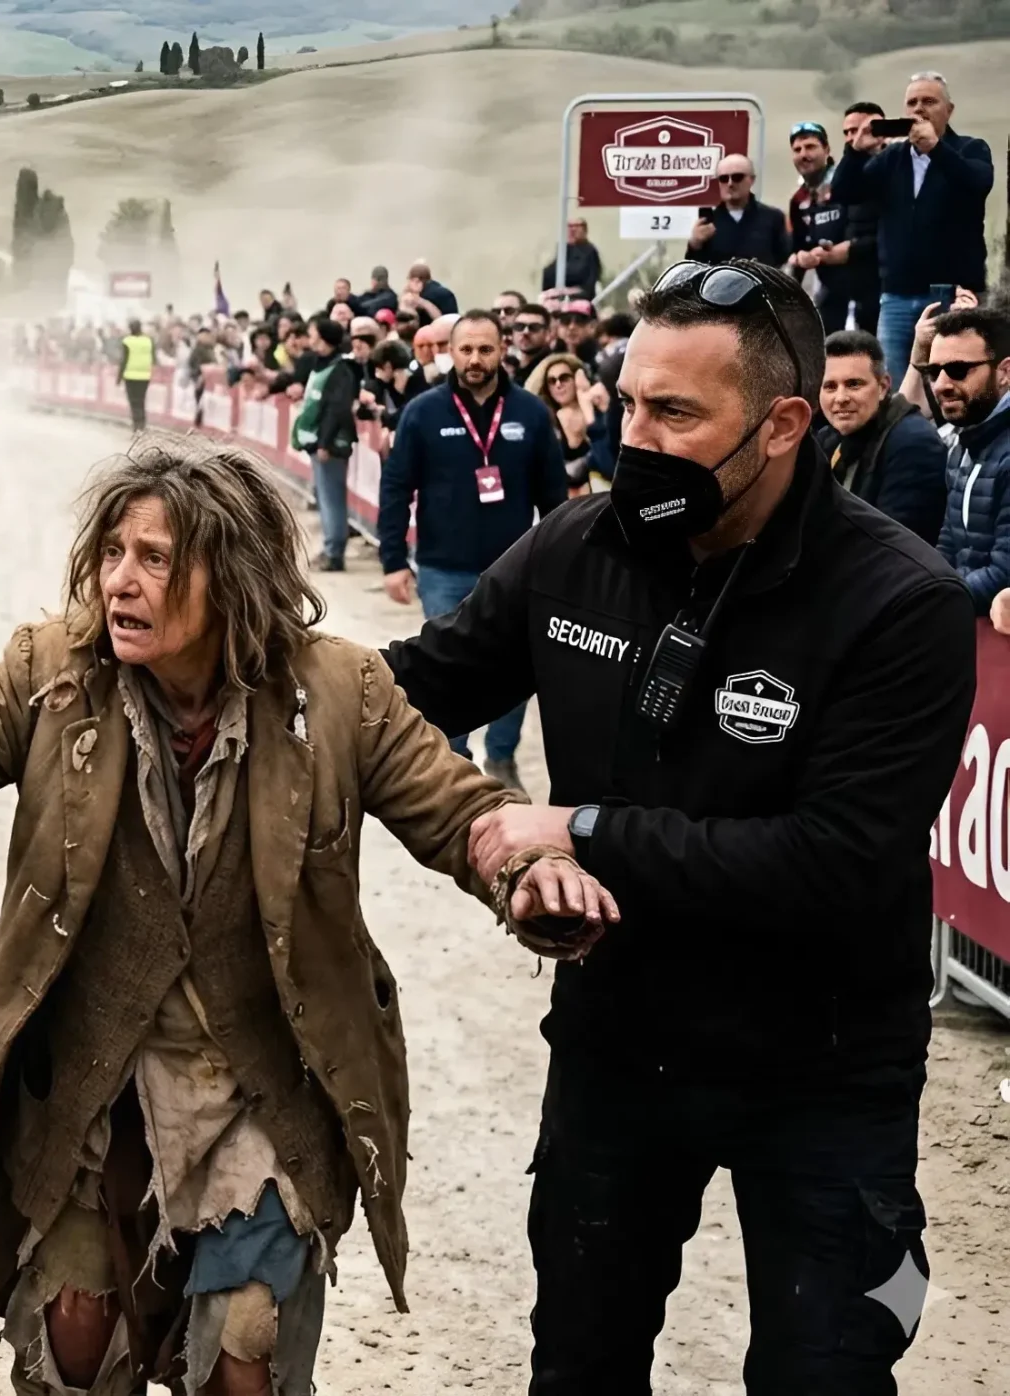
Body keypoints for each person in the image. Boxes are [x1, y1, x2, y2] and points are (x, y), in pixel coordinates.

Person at [0, 438, 614, 1396]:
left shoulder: (337, 690)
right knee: (75, 1342)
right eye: (112, 553)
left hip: (262, 1081)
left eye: (155, 558)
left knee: (245, 1352)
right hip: (94, 1070)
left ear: (231, 575)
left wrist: (527, 868)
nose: (120, 580)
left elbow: (455, 807)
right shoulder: (55, 669)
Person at [384, 259, 973, 1392]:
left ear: (783, 424)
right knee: (580, 1366)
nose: (635, 438)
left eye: (675, 413)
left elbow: (835, 861)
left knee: (827, 1373)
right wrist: (230, 658)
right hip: (619, 1046)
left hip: (825, 1070)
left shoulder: (901, 603)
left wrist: (579, 831)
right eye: (626, 403)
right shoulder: (579, 546)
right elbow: (405, 692)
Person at [377, 310, 566, 790]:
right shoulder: (422, 412)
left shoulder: (530, 413)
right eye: (466, 349)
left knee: (517, 668)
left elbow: (554, 496)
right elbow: (396, 487)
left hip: (515, 570)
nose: (475, 359)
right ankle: (454, 770)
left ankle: (501, 759)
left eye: (485, 349)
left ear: (502, 350)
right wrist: (393, 560)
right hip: (443, 568)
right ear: (451, 353)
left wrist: (562, 562)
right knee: (448, 669)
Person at [833, 72, 996, 377]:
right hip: (896, 296)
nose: (919, 108)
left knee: (952, 380)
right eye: (912, 102)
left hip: (952, 295)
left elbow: (978, 183)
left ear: (949, 110)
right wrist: (855, 150)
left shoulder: (970, 148)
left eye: (929, 101)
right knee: (896, 386)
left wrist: (936, 149)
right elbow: (844, 192)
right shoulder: (892, 158)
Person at [816, 329, 944, 544]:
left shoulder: (913, 444)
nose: (840, 398)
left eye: (853, 384)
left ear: (883, 386)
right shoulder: (828, 438)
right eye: (830, 386)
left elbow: (897, 545)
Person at [926, 306, 1010, 606]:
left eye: (958, 370)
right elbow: (948, 545)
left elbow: (1005, 576)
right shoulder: (962, 440)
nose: (941, 385)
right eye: (933, 372)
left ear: (1005, 372)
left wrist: (927, 600)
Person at [287, 316, 362, 572]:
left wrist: (325, 442)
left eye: (313, 333)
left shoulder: (341, 370)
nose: (310, 338)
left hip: (330, 446)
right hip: (318, 443)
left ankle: (335, 553)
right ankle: (330, 547)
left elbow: (336, 409)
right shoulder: (320, 364)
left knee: (332, 499)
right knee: (325, 497)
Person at [787, 120, 875, 334]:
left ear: (826, 149)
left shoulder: (847, 183)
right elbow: (797, 247)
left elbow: (872, 232)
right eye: (797, 149)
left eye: (810, 147)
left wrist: (848, 249)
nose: (803, 154)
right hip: (829, 297)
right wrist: (802, 257)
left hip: (866, 289)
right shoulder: (798, 199)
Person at [685, 154, 792, 268]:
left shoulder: (773, 218)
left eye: (737, 177)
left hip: (760, 279)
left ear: (752, 180)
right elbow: (692, 269)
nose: (730, 183)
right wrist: (695, 245)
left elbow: (784, 261)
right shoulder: (709, 224)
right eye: (724, 179)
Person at [525, 351, 596, 490]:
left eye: (564, 378)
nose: (558, 384)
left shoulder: (597, 410)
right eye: (552, 381)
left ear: (576, 379)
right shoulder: (546, 423)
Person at [543, 219, 603, 301]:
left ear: (584, 230)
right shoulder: (564, 250)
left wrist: (569, 291)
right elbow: (549, 274)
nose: (573, 229)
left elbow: (590, 282)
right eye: (570, 226)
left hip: (579, 297)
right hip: (558, 295)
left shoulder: (590, 252)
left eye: (577, 226)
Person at [117, 319, 155, 432]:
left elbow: (124, 360)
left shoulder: (127, 341)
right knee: (141, 401)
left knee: (133, 402)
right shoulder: (148, 340)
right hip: (145, 376)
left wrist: (119, 377)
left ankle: (137, 426)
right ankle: (142, 424)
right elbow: (153, 357)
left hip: (130, 375)